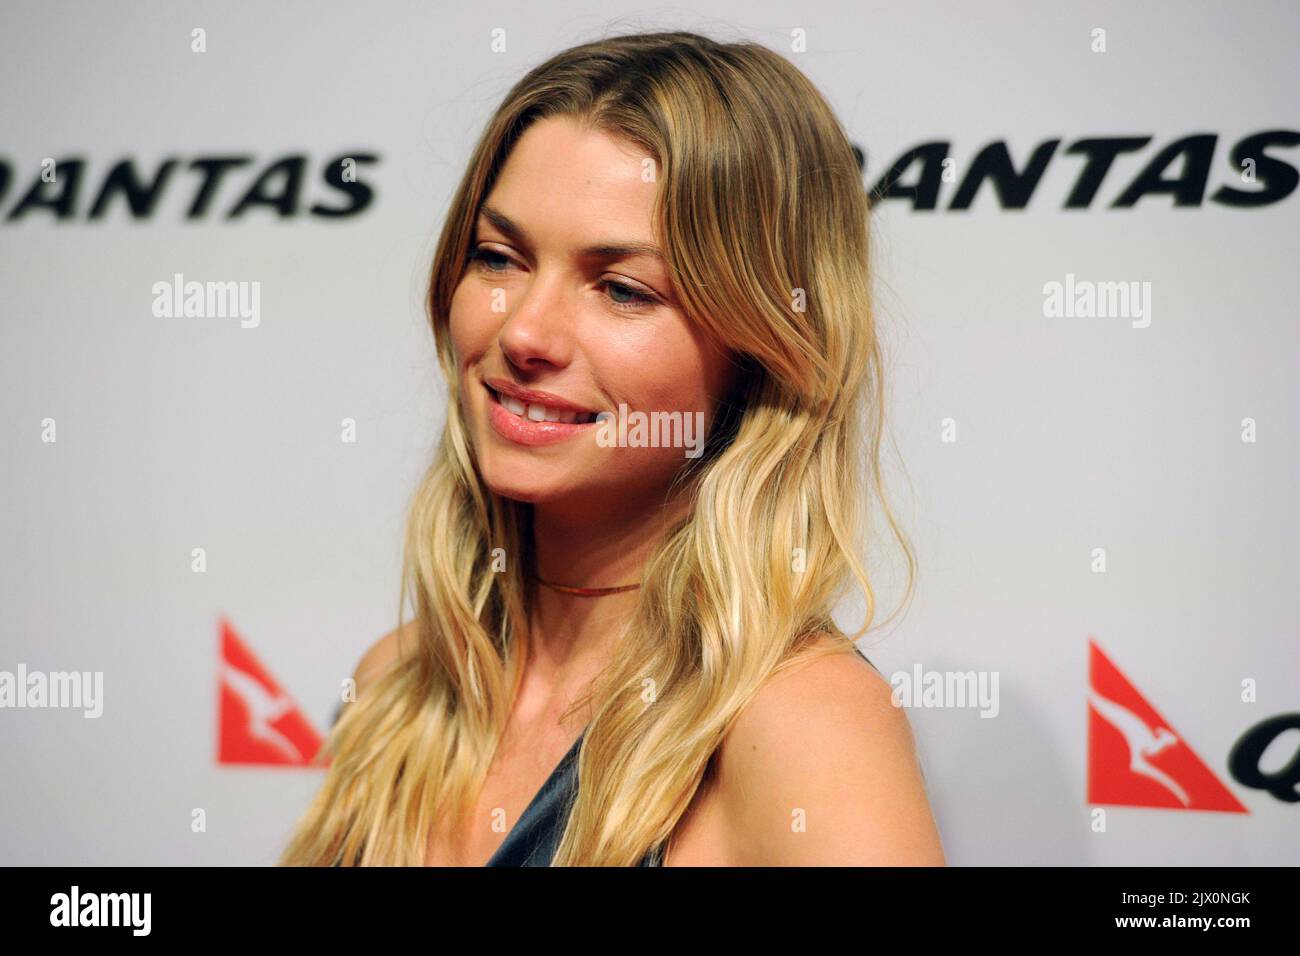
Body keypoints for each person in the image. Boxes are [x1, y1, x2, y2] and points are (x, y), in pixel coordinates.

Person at [279, 29, 943, 867]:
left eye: (623, 289)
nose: (524, 330)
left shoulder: (802, 725)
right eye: (498, 257)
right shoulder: (399, 686)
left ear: (765, 345)